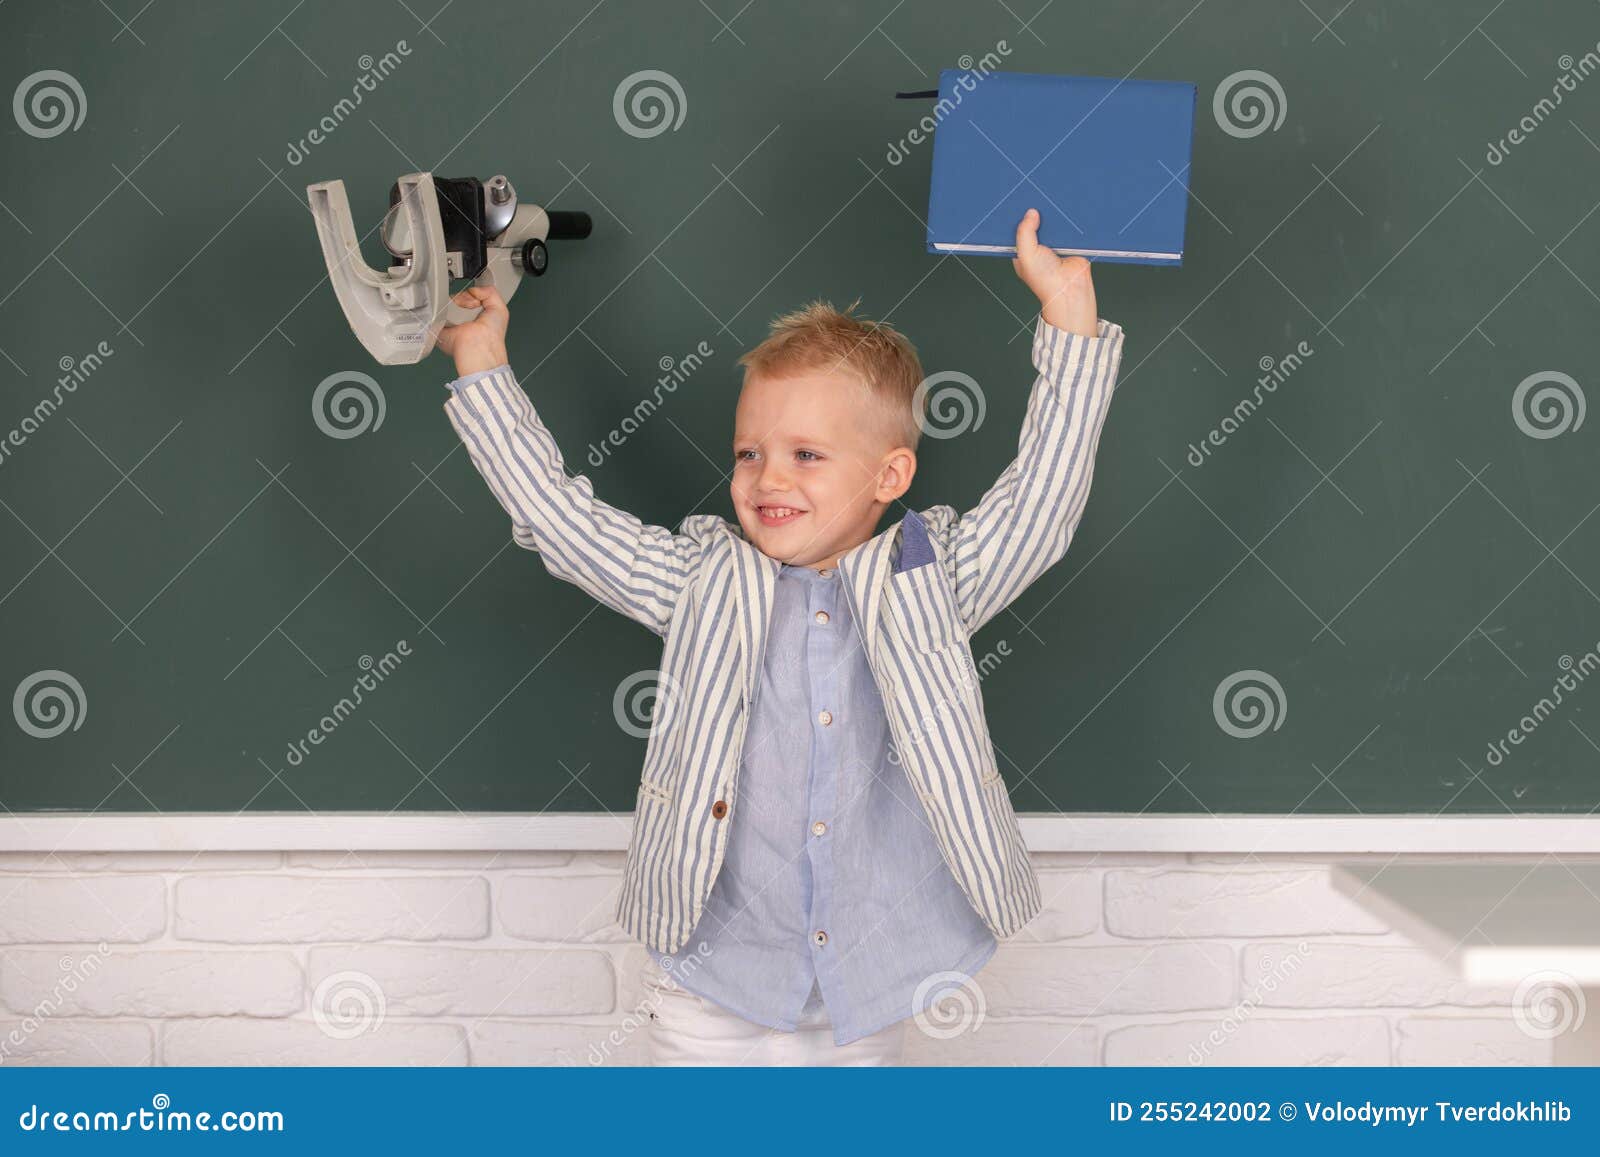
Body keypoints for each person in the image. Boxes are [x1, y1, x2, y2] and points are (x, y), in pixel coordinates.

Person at [435, 207, 1125, 1064]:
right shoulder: (702, 581)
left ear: (890, 474)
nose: (767, 479)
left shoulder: (929, 577)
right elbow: (559, 519)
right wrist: (481, 362)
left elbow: (1043, 505)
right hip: (714, 971)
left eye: (807, 455)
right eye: (749, 453)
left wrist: (1069, 319)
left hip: (865, 981)